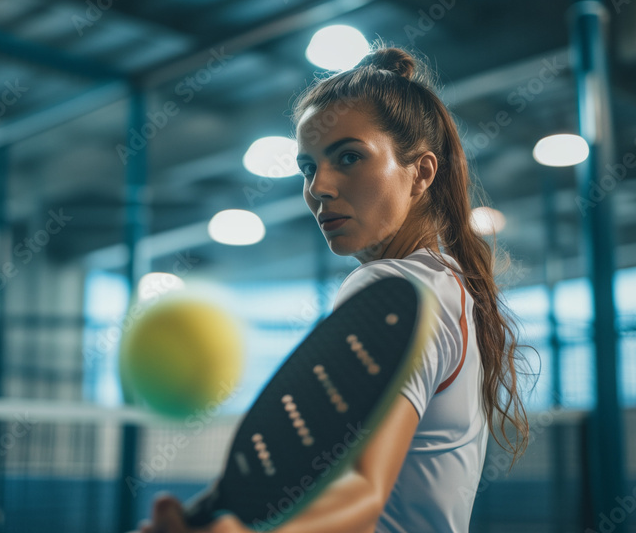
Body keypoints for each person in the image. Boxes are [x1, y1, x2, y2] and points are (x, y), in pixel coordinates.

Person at [137, 45, 532, 533]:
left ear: (422, 172)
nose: (318, 187)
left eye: (349, 157)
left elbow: (363, 491)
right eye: (307, 167)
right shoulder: (450, 283)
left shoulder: (391, 284)